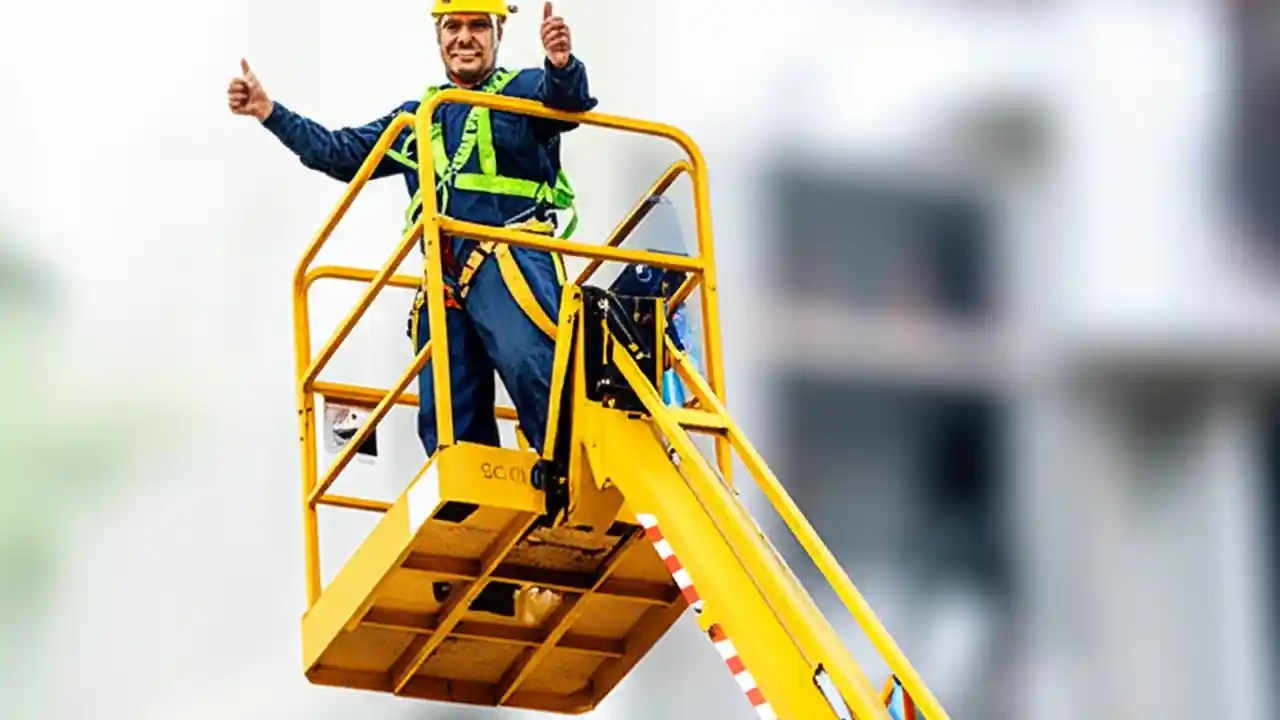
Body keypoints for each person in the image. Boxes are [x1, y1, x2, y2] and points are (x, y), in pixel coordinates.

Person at [227, 0, 596, 461]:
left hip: (512, 262)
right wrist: (270, 112)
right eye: (453, 26)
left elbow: (566, 104)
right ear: (438, 37)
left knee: (533, 364)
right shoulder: (418, 119)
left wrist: (561, 64)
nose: (465, 37)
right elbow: (341, 153)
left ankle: (568, 464)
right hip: (446, 286)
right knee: (448, 411)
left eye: (478, 26)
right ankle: (468, 501)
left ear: (498, 34)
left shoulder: (520, 91)